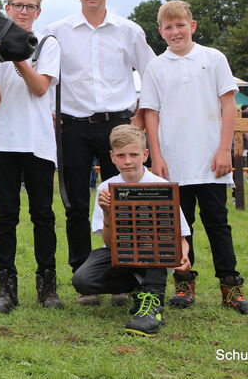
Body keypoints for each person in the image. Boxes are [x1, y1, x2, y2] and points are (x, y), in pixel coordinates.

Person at [44, 0, 156, 305]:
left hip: (118, 126)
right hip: (73, 126)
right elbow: (45, 77)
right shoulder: (57, 32)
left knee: (124, 203)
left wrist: (139, 116)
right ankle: (84, 279)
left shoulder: (129, 31)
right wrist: (50, 113)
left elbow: (152, 74)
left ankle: (122, 279)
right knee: (76, 205)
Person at [141, 0, 248, 315]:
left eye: (180, 25)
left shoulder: (213, 58)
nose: (175, 32)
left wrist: (223, 149)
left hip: (210, 160)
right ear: (161, 32)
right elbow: (151, 114)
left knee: (218, 223)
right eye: (168, 27)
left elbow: (228, 105)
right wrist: (156, 158)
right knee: (180, 227)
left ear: (192, 26)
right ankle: (183, 283)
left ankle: (231, 286)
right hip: (173, 162)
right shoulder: (155, 67)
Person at [0, 0, 63, 311]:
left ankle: (47, 286)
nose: (24, 11)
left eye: (30, 6)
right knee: (6, 216)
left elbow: (40, 88)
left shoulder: (47, 44)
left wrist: (18, 55)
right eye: (18, 5)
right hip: (5, 141)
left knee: (43, 215)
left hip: (38, 142)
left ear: (39, 11)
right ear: (7, 8)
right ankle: (6, 287)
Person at [72, 125, 191, 337]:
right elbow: (110, 245)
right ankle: (138, 287)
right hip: (121, 252)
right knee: (82, 280)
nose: (127, 161)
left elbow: (179, 235)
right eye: (121, 155)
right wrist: (107, 213)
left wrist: (184, 256)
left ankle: (153, 305)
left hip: (155, 254)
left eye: (134, 155)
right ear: (112, 157)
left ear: (145, 155)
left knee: (153, 241)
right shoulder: (105, 188)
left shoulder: (161, 186)